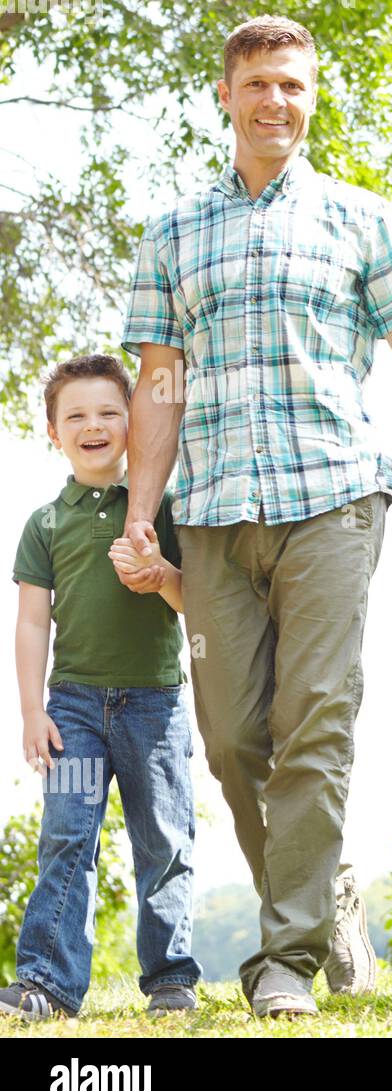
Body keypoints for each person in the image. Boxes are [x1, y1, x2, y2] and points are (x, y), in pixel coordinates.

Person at [119, 16, 392, 1018]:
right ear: (226, 97)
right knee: (235, 738)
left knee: (314, 719)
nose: (277, 101)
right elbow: (158, 387)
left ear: (310, 96)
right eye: (260, 84)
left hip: (332, 498)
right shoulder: (171, 234)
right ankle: (326, 895)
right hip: (209, 514)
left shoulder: (360, 220)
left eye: (294, 85)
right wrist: (140, 514)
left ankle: (285, 963)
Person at [1, 354, 201, 1022]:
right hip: (75, 710)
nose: (94, 425)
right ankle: (47, 984)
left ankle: (171, 978)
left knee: (164, 840)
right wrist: (33, 710)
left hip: (155, 706)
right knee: (66, 838)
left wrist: (160, 571)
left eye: (110, 413)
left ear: (134, 424)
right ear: (53, 431)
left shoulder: (160, 509)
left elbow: (190, 604)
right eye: (76, 416)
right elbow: (32, 623)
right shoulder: (45, 524)